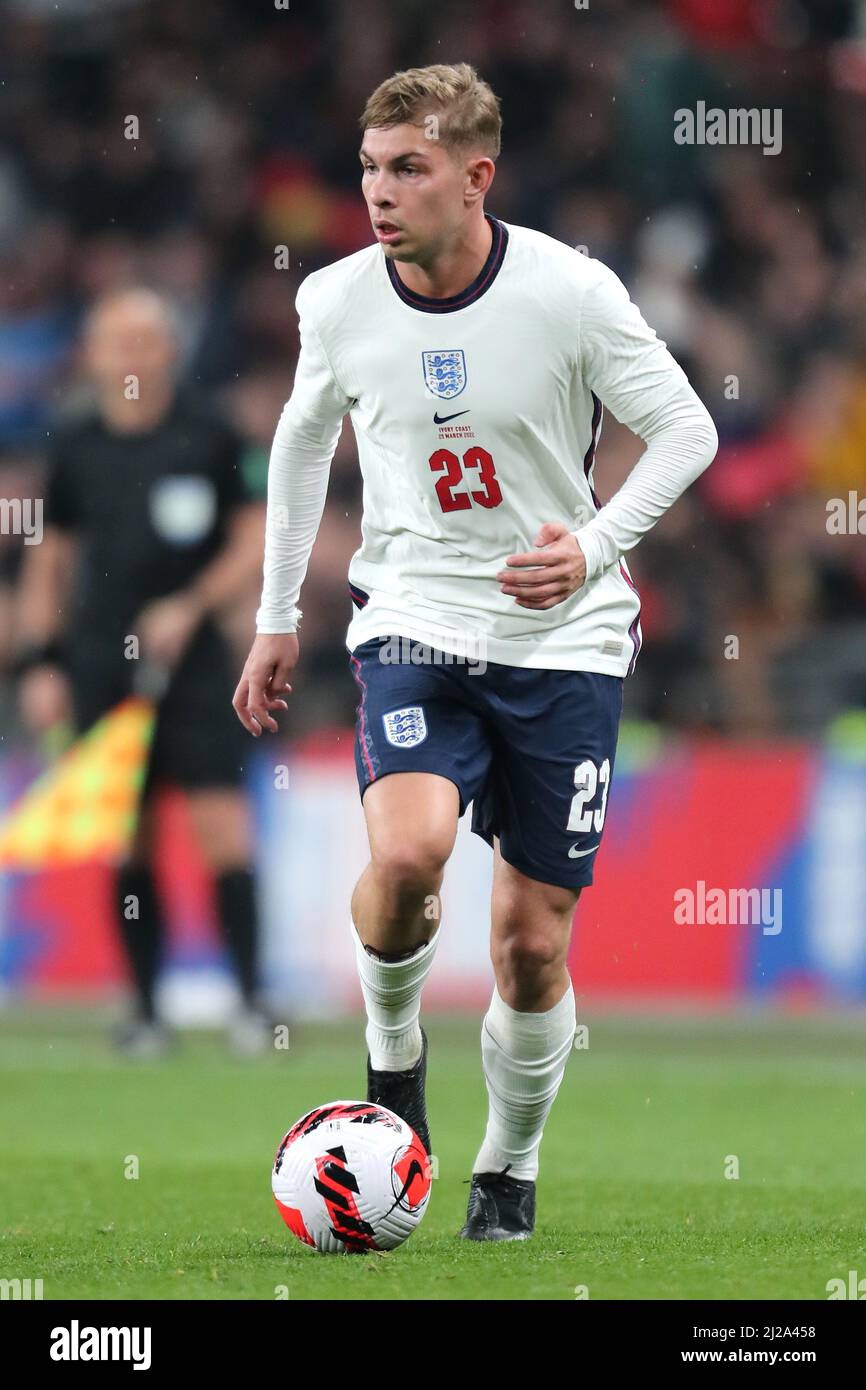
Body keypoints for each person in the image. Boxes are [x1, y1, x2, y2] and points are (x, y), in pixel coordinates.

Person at [233, 63, 718, 1238]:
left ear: (474, 176)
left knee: (529, 944)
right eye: (368, 169)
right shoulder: (339, 300)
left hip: (562, 638)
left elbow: (686, 429)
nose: (378, 194)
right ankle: (392, 1061)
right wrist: (277, 612)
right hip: (413, 616)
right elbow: (303, 445)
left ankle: (506, 1168)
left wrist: (594, 547)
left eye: (406, 169)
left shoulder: (569, 291)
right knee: (406, 858)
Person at [15, 288, 270, 1057]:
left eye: (143, 340)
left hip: (195, 668)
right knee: (128, 838)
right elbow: (49, 559)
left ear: (168, 349)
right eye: (112, 342)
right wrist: (41, 661)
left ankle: (252, 1007)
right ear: (92, 355)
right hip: (100, 665)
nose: (129, 356)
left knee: (222, 828)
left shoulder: (210, 432)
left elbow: (255, 538)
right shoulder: (77, 444)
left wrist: (190, 605)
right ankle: (145, 1011)